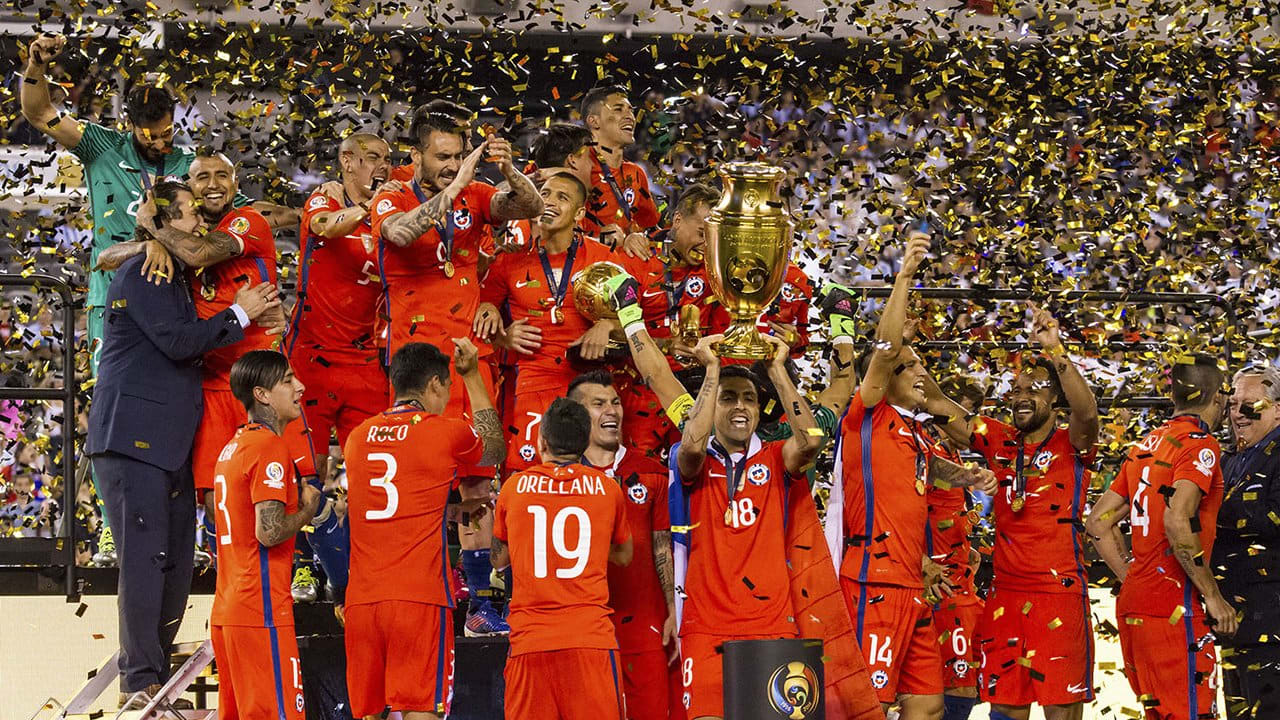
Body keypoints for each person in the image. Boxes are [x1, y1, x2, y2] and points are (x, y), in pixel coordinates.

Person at [20, 33, 293, 565]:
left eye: (168, 131)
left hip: (178, 308)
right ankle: (110, 527)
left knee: (180, 414)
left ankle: (184, 530)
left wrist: (304, 212)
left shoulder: (191, 166)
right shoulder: (101, 147)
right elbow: (39, 111)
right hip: (115, 307)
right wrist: (33, 64)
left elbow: (243, 210)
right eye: (152, 134)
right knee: (112, 410)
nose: (163, 141)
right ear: (131, 126)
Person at [86, 179, 278, 708]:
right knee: (145, 560)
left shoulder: (169, 269)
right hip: (133, 440)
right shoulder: (146, 273)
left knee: (173, 564)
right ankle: (137, 680)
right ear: (167, 221)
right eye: (190, 214)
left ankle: (156, 676)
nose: (200, 223)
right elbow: (175, 342)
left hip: (166, 443)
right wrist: (240, 314)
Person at [832, 234, 995, 720]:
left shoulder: (914, 430)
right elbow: (884, 349)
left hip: (913, 581)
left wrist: (968, 476)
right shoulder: (867, 415)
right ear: (884, 380)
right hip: (874, 579)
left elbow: (930, 468)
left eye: (921, 363)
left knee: (927, 706)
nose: (921, 372)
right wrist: (903, 276)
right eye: (910, 367)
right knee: (871, 705)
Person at [925, 305, 1100, 720]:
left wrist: (1055, 349)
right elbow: (935, 403)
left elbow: (1088, 413)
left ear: (1055, 399)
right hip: (1004, 596)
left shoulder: (1072, 443)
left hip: (1057, 595)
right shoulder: (998, 438)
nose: (1023, 397)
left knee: (1062, 712)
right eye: (1018, 390)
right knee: (1004, 709)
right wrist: (906, 354)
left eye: (1035, 390)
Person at [342, 339, 504, 720]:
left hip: (363, 601)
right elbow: (495, 448)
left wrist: (451, 511)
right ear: (434, 384)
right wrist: (472, 376)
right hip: (419, 599)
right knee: (420, 711)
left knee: (369, 714)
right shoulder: (443, 431)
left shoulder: (357, 438)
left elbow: (393, 501)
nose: (447, 398)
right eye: (447, 387)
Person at [1086, 353, 1237, 720]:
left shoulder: (1146, 444)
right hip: (1175, 609)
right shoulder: (1200, 444)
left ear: (1174, 396)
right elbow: (1177, 520)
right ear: (1218, 396)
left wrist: (1133, 577)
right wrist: (1213, 596)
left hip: (1135, 607)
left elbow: (1098, 523)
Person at [283, 132, 398, 603]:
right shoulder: (324, 200)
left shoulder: (394, 205)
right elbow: (326, 226)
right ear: (347, 161)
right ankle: (303, 565)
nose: (381, 166)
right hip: (310, 358)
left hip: (367, 361)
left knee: (372, 471)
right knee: (305, 470)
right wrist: (370, 207)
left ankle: (363, 567)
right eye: (371, 158)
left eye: (386, 159)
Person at [492, 398, 633, 720]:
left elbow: (498, 560)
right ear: (585, 442)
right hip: (590, 640)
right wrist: (592, 543)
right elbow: (625, 556)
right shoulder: (608, 489)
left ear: (542, 441)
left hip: (530, 643)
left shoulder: (514, 488)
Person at [476, 172, 625, 471]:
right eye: (544, 194)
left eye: (562, 197)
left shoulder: (605, 260)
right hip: (534, 384)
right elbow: (482, 313)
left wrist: (607, 325)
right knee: (529, 473)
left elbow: (635, 326)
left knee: (592, 475)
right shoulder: (509, 260)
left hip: (591, 386)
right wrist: (503, 336)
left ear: (579, 214)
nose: (549, 202)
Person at [210, 351, 321, 720]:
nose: (300, 388)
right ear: (262, 394)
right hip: (260, 610)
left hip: (228, 609)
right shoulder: (269, 446)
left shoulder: (232, 447)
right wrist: (307, 510)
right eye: (288, 381)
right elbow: (269, 531)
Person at [567, 370, 678, 719]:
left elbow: (663, 547)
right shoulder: (558, 479)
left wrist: (674, 608)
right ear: (576, 415)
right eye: (598, 404)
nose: (611, 411)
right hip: (580, 629)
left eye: (615, 402)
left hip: (645, 627)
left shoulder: (651, 473)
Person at [1213, 365, 1280, 719]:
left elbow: (1274, 518)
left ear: (1277, 409)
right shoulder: (1229, 458)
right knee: (1239, 709)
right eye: (1233, 404)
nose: (1238, 413)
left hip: (1271, 618)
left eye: (1250, 405)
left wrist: (1212, 511)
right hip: (1233, 616)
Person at [579, 85, 661, 246]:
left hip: (623, 261)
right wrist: (600, 240)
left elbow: (650, 228)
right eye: (618, 109)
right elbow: (560, 237)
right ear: (594, 121)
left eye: (630, 110)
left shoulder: (635, 173)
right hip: (587, 260)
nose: (630, 116)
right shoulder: (578, 168)